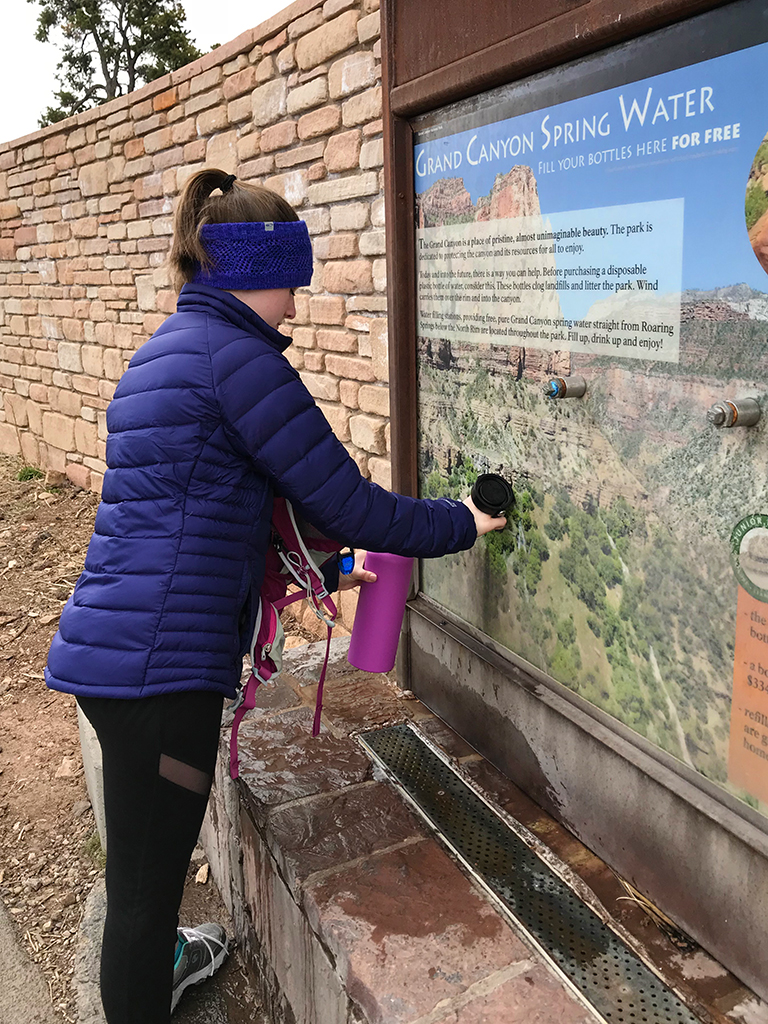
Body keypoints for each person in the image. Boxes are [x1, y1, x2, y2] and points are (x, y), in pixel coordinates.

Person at [44, 167, 506, 1023]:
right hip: (161, 678)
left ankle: (162, 966)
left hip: (116, 655)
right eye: (292, 284)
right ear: (252, 273)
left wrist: (328, 577)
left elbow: (206, 515)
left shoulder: (163, 354)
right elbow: (345, 503)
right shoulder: (239, 361)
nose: (296, 306)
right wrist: (461, 523)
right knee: (144, 898)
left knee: (140, 875)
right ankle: (143, 989)